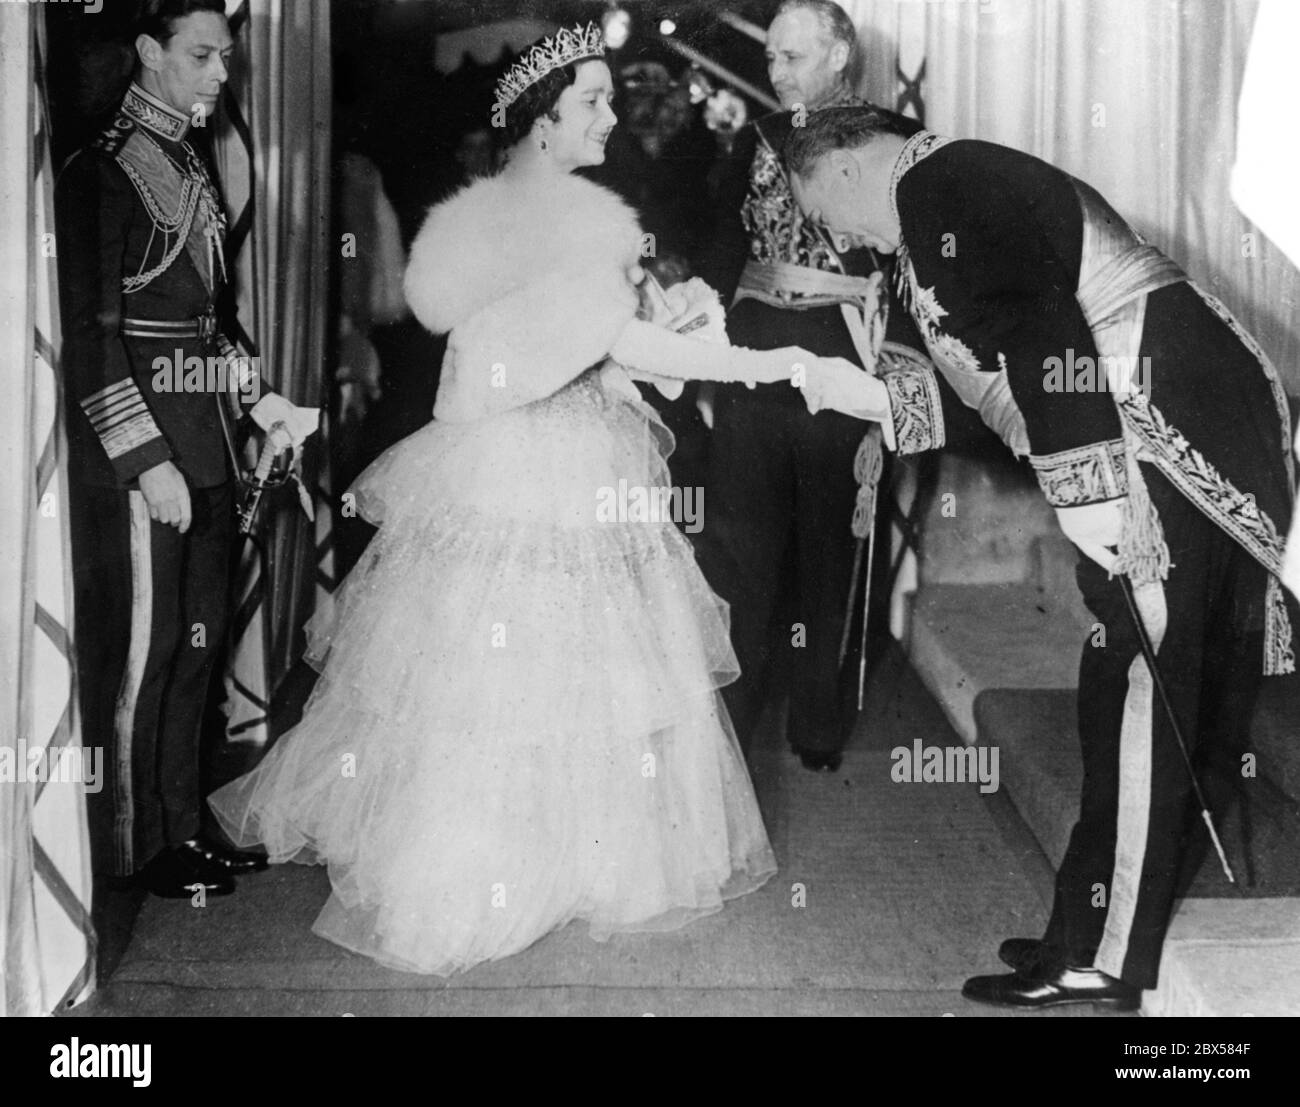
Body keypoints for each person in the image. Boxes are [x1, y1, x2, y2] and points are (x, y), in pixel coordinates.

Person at [208, 24, 854, 975]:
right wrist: (767, 359)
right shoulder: (563, 219)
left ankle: (532, 857)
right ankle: (524, 865)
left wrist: (645, 326)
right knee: (554, 665)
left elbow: (545, 338)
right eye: (591, 101)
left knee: (512, 668)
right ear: (546, 125)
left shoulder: (509, 207)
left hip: (507, 455)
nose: (610, 113)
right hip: (548, 467)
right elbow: (620, 346)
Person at [785, 106, 1297, 1009]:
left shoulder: (945, 183)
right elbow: (984, 392)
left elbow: (1044, 341)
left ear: (845, 167)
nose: (829, 232)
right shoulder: (929, 213)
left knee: (1143, 686)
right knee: (1116, 692)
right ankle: (1084, 927)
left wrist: (1099, 499)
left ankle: (1104, 955)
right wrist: (863, 402)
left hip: (1158, 426)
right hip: (1129, 434)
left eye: (820, 208)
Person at [56, 0, 316, 900]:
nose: (219, 75)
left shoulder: (184, 155)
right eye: (201, 57)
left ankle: (183, 823)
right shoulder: (103, 170)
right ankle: (137, 845)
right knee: (152, 650)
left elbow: (207, 321)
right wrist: (145, 459)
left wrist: (259, 397)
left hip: (207, 442)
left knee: (198, 650)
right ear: (146, 52)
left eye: (225, 58)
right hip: (149, 451)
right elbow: (95, 339)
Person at [694, 0, 931, 770]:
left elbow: (908, 268)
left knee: (834, 541)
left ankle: (817, 721)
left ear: (839, 56)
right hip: (757, 349)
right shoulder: (754, 139)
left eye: (794, 58)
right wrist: (706, 349)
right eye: (772, 59)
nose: (777, 72)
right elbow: (719, 245)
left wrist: (895, 372)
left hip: (845, 348)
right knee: (742, 545)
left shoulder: (892, 142)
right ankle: (733, 716)